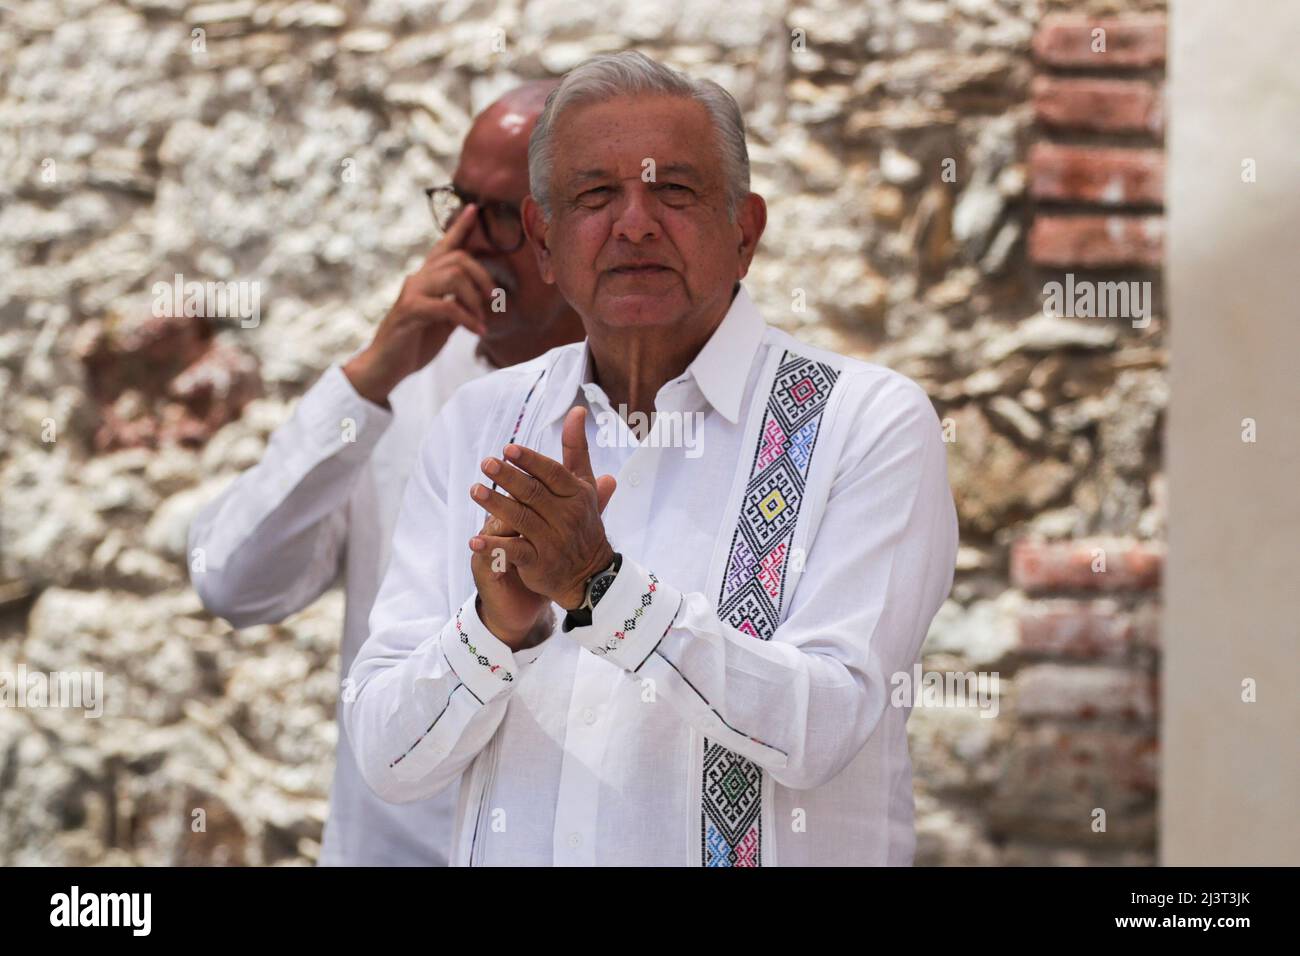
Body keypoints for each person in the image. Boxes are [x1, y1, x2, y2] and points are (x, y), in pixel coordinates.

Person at [344, 51, 958, 866]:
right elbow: (387, 759)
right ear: (544, 241)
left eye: (675, 190)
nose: (634, 224)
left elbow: (828, 725)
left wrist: (601, 589)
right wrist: (494, 627)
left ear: (745, 231)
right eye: (595, 195)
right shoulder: (481, 423)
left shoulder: (865, 421)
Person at [187, 80, 583, 866]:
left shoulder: (664, 405)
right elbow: (230, 582)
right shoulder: (401, 384)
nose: (466, 240)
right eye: (457, 204)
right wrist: (367, 378)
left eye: (501, 215)